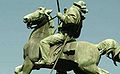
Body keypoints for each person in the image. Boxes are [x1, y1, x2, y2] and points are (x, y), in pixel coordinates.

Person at [37, 1, 88, 65]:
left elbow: (70, 21)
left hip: (64, 35)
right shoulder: (78, 14)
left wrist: (60, 16)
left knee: (44, 42)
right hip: (70, 36)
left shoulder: (73, 10)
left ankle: (46, 60)